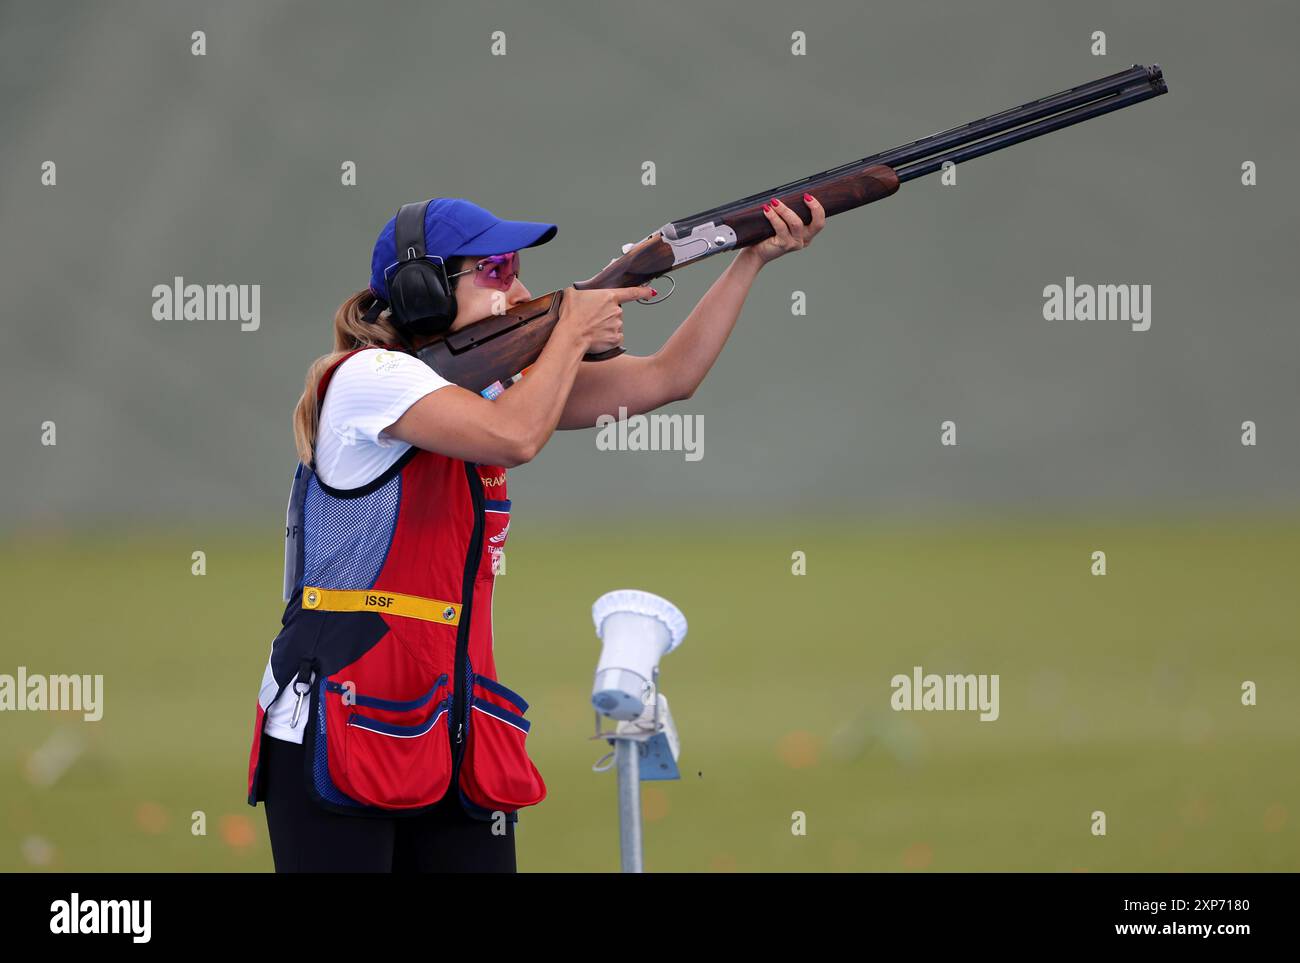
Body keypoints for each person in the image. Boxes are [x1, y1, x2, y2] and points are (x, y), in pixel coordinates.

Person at [245, 194, 824, 872]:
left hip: (452, 726)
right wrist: (572, 333)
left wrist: (749, 260)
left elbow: (670, 377)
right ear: (423, 292)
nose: (519, 286)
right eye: (495, 269)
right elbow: (515, 438)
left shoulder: (491, 390)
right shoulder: (369, 379)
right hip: (343, 721)